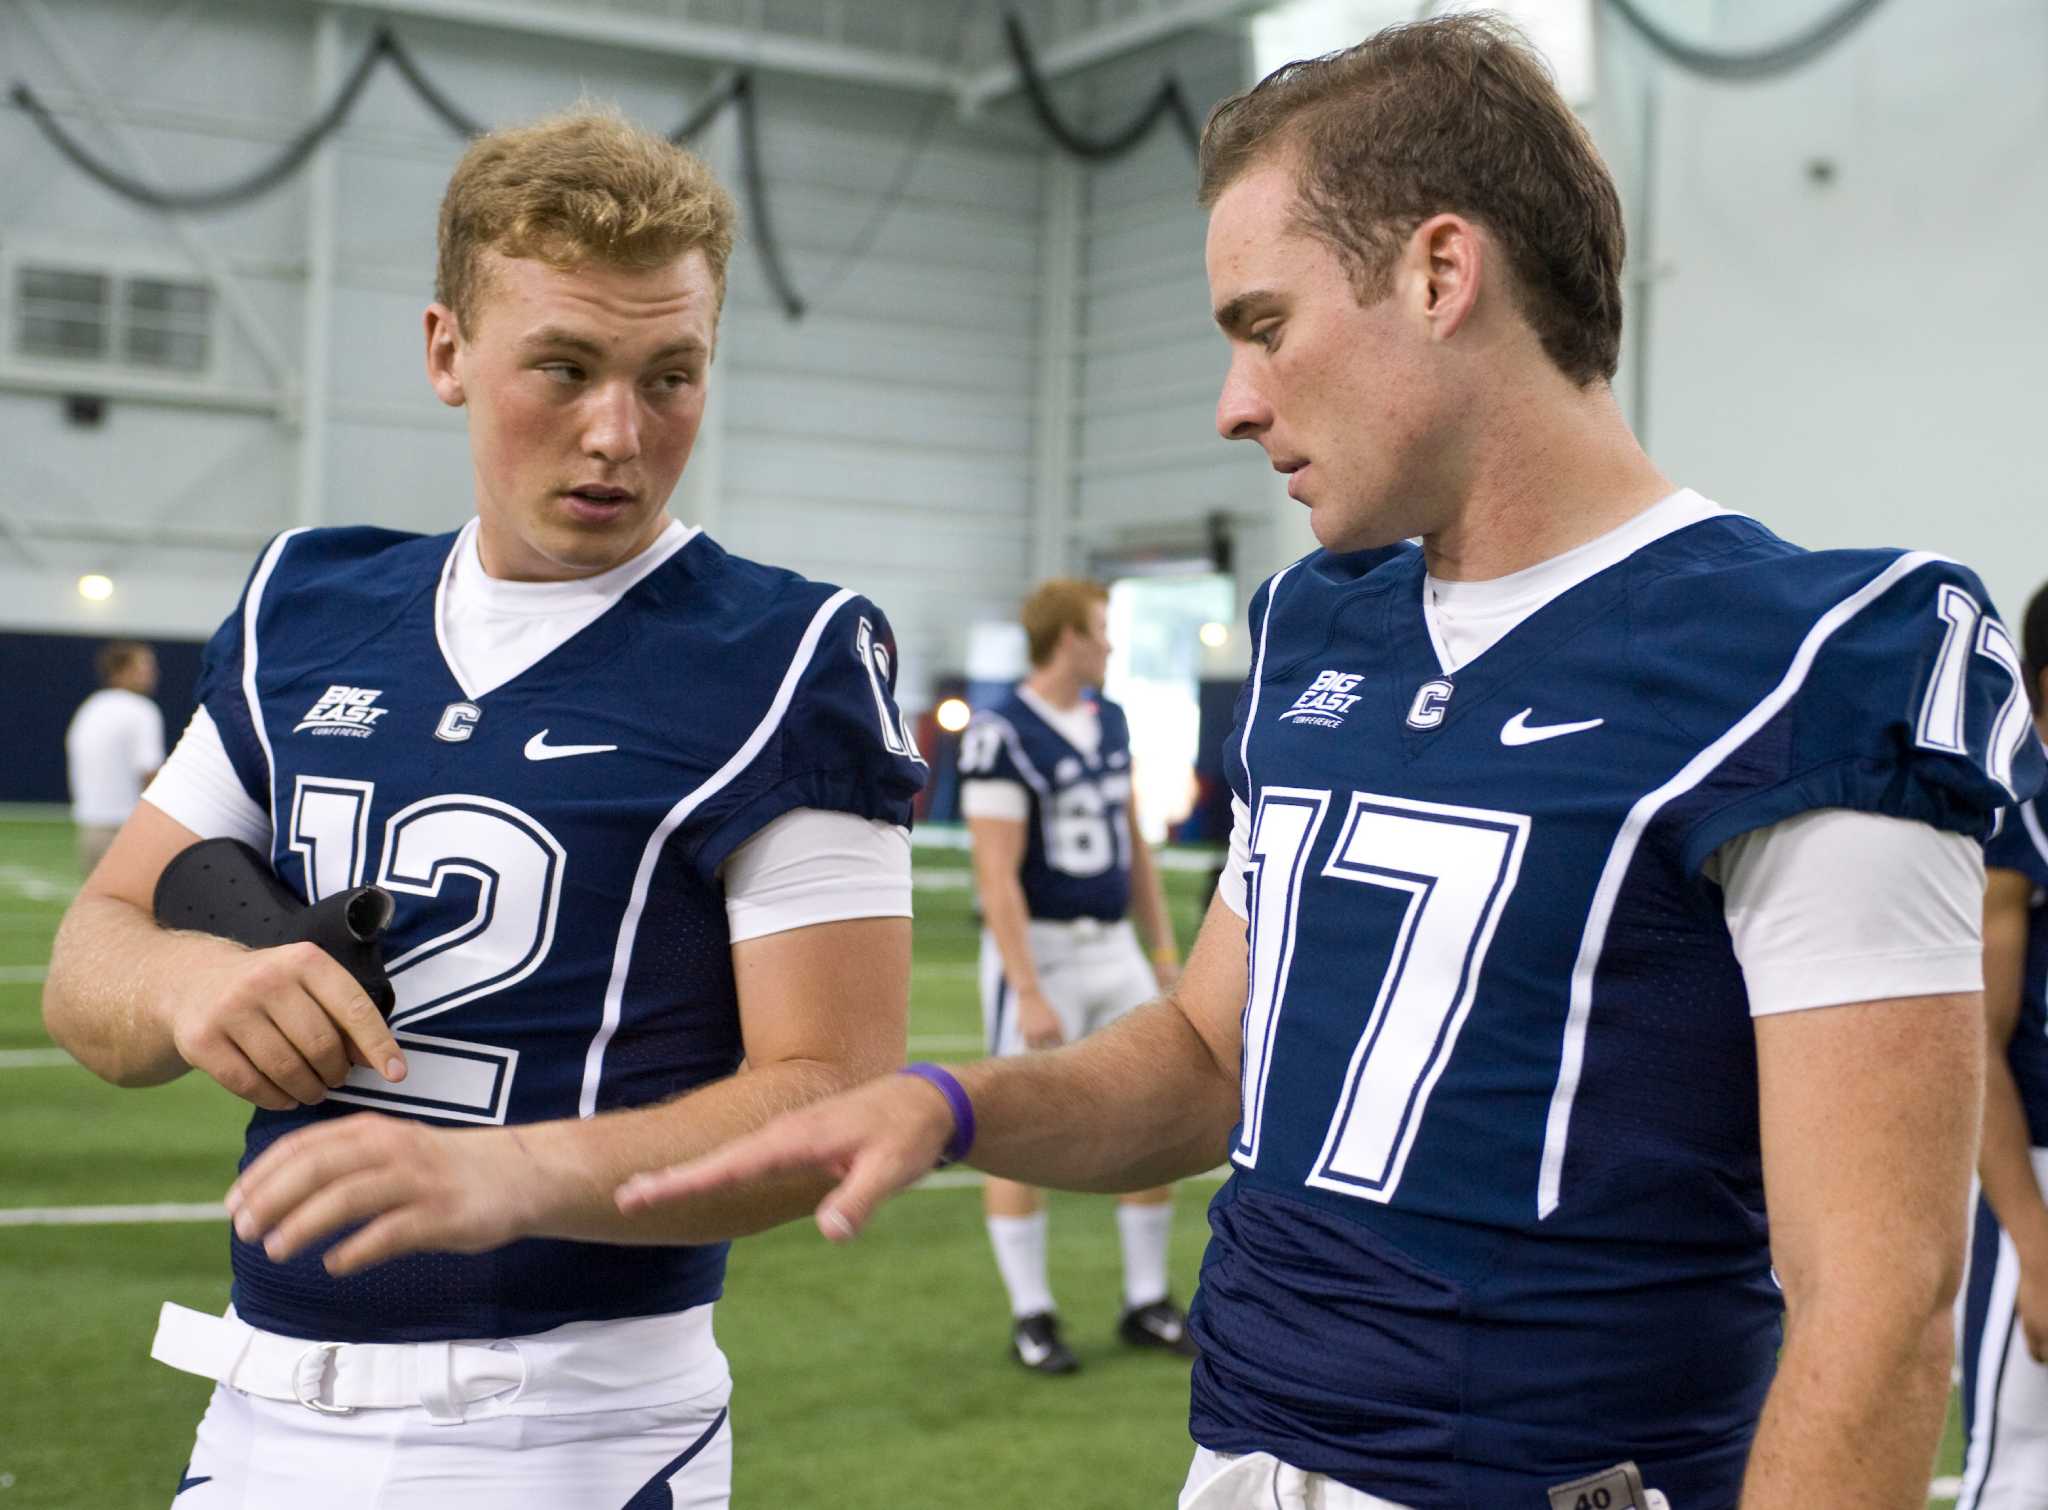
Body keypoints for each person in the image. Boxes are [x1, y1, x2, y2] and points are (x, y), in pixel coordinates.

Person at [615, 17, 2047, 1510]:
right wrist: (960, 1108)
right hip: (1238, 1455)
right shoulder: (1322, 618)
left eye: (1264, 324)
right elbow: (1204, 1061)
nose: (1235, 401)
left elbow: (1875, 1313)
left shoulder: (1807, 656)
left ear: (1440, 273)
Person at [40, 107, 926, 1510]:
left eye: (671, 375)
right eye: (563, 367)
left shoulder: (787, 656)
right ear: (448, 350)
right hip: (259, 1396)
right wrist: (189, 982)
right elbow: (93, 954)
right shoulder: (308, 606)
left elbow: (839, 1091)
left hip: (567, 1422)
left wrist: (524, 1176)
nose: (617, 434)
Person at [958, 578, 1191, 1372]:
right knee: (1020, 1130)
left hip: (1113, 944)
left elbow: (1134, 843)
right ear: (1066, 637)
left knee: (1154, 1115)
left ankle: (1147, 1299)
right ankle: (1033, 1312)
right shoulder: (1001, 733)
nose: (1111, 644)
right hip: (1046, 951)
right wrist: (1025, 986)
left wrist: (1162, 949)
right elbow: (997, 876)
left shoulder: (1111, 718)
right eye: (1100, 629)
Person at [1958, 577, 2048, 1510]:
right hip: (2038, 1174)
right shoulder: (2019, 816)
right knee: (2021, 1477)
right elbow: (1976, 1042)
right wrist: (2035, 1240)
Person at [65, 638, 164, 875]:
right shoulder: (141, 711)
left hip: (90, 828)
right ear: (123, 670)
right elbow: (149, 771)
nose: (153, 673)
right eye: (145, 666)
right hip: (126, 829)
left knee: (97, 909)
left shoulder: (91, 707)